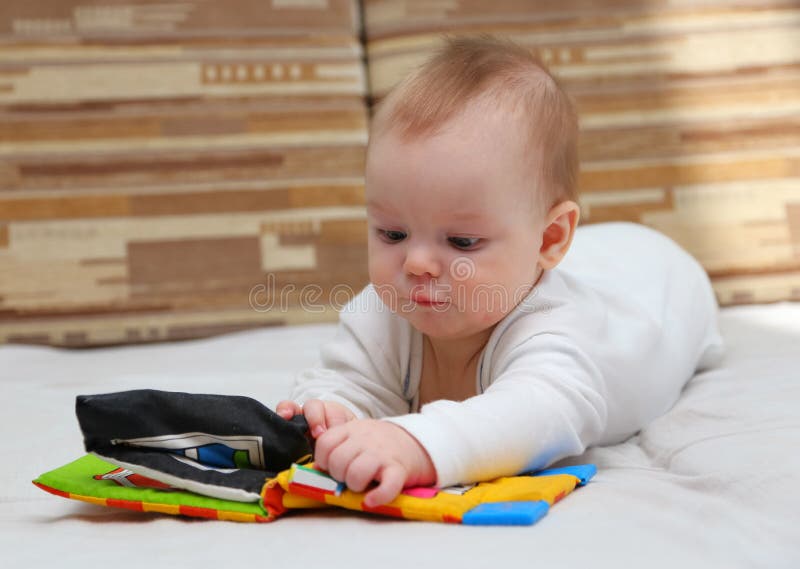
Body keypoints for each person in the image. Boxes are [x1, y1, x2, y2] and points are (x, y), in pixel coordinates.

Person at [276, 35, 723, 508]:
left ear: (550, 240)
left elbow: (535, 416)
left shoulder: (559, 329)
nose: (416, 263)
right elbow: (351, 380)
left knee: (581, 285)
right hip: (569, 258)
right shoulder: (388, 307)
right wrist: (330, 415)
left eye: (461, 242)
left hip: (660, 283)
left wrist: (417, 444)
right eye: (392, 234)